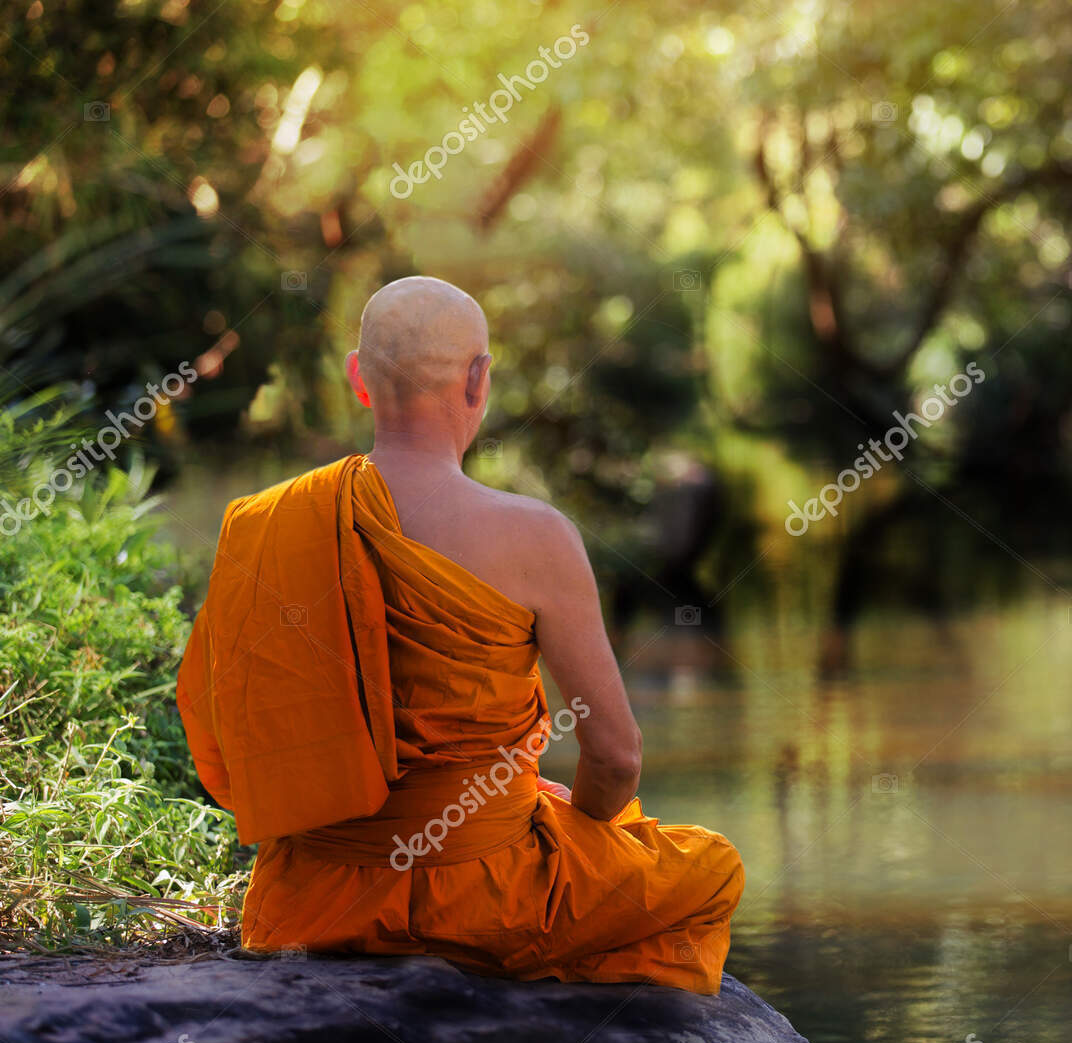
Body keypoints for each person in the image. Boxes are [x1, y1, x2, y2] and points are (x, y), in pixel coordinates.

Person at [176, 276, 743, 994]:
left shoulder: (263, 524)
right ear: (478, 380)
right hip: (486, 900)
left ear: (360, 379)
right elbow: (616, 758)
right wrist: (581, 835)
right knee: (711, 865)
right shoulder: (536, 536)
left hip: (309, 903)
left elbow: (224, 746)